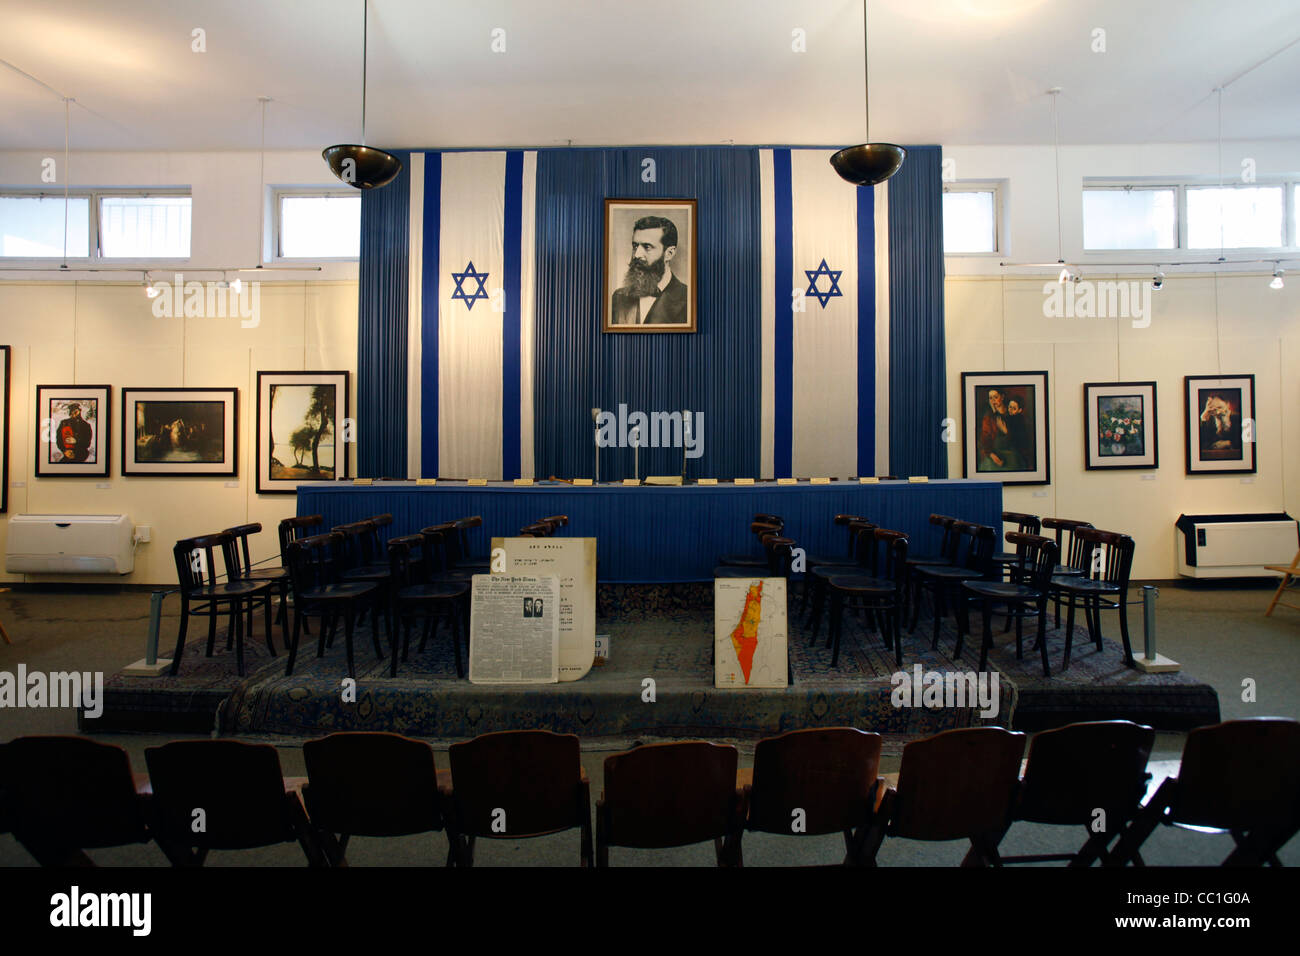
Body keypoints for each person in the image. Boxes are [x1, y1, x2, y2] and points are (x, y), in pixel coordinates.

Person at [610, 215, 688, 326]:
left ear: (669, 254)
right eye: (635, 246)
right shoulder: (619, 297)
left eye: (647, 247)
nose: (636, 255)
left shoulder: (688, 299)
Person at [977, 390, 1009, 471]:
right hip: (994, 453)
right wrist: (991, 454)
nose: (993, 400)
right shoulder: (988, 417)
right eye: (990, 398)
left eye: (995, 397)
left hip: (1010, 452)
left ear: (1002, 397)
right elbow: (984, 438)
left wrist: (1006, 431)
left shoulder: (1010, 412)